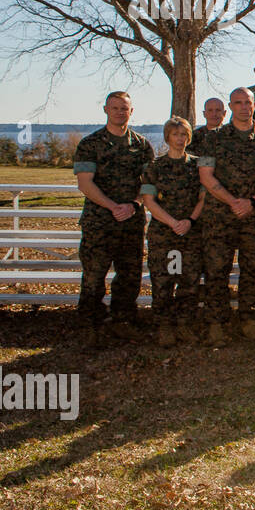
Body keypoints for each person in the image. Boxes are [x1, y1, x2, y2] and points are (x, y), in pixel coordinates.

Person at [198, 87, 255, 345]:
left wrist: (253, 201)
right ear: (230, 107)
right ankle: (216, 322)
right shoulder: (214, 138)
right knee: (216, 270)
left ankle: (250, 319)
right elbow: (206, 175)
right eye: (238, 103)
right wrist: (233, 201)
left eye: (248, 102)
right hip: (220, 215)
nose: (244, 107)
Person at [73, 91, 155, 345]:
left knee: (129, 274)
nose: (120, 112)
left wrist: (132, 204)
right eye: (116, 108)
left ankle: (123, 320)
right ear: (106, 110)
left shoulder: (141, 145)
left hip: (131, 221)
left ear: (132, 112)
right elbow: (85, 184)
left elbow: (150, 184)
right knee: (94, 275)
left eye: (125, 108)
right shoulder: (90, 143)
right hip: (99, 221)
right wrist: (112, 207)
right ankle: (89, 324)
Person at [140, 117, 206, 347]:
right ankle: (164, 326)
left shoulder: (198, 165)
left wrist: (189, 221)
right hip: (164, 235)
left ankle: (185, 324)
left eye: (184, 135)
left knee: (189, 282)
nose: (180, 139)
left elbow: (203, 198)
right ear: (168, 137)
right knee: (164, 281)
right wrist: (172, 222)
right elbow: (149, 200)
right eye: (176, 135)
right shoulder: (155, 167)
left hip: (190, 233)